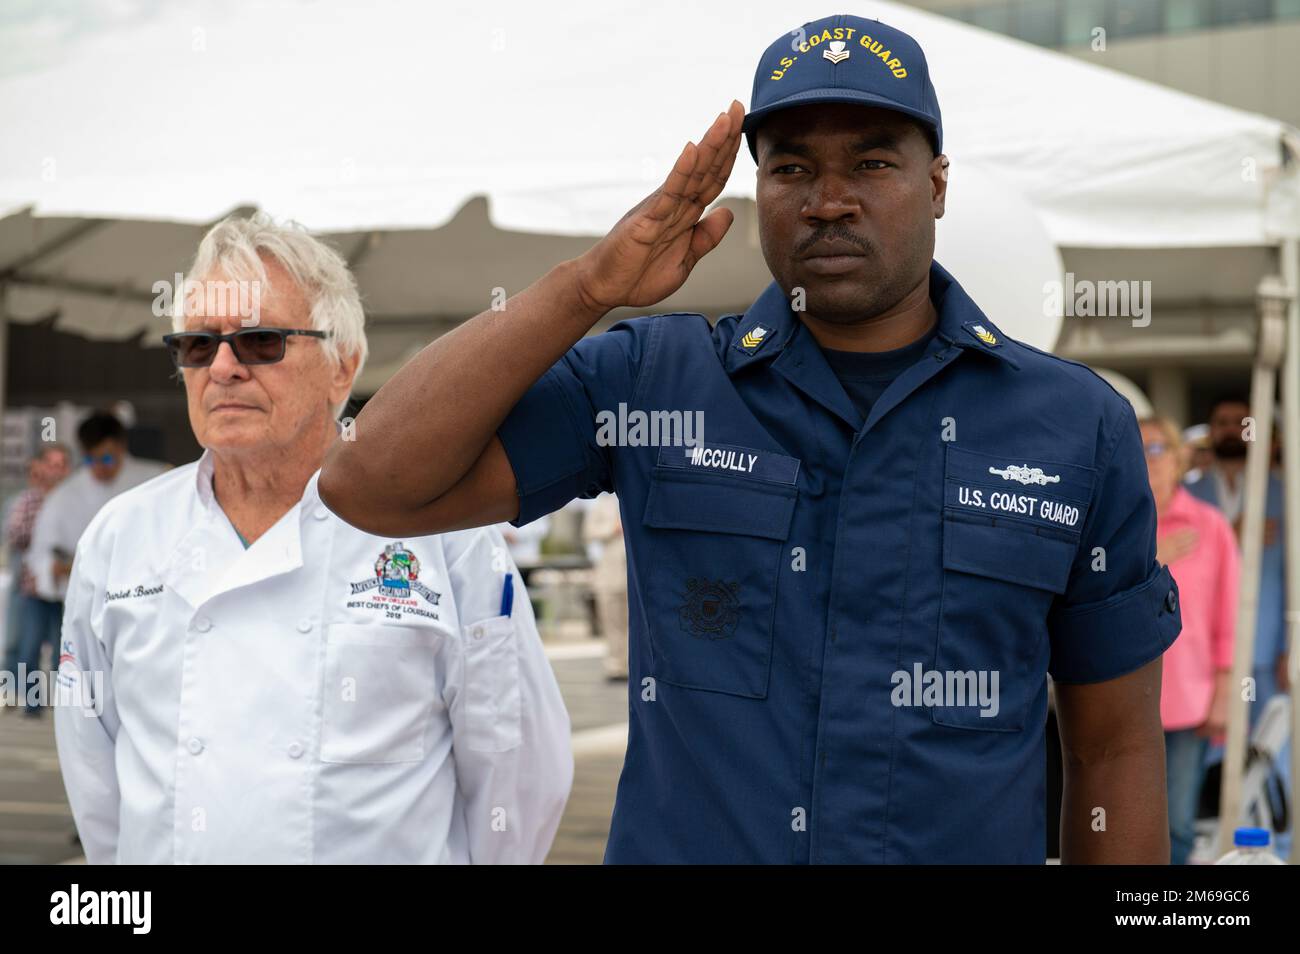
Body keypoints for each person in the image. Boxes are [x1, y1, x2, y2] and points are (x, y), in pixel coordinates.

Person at [320, 15, 1181, 864]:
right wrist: (586, 289)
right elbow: (371, 484)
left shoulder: (1074, 425)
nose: (829, 200)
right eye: (791, 167)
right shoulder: (657, 381)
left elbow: (1114, 750)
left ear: (939, 186)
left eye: (873, 162)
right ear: (757, 188)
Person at [55, 214, 573, 864]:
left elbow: (517, 770)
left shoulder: (444, 534)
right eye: (197, 344)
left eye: (260, 340)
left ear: (342, 367)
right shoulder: (120, 537)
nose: (222, 367)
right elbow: (93, 775)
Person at [1186, 394, 1290, 854]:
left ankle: (1279, 844)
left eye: (1241, 422)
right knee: (1209, 748)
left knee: (1275, 746)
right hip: (1206, 651)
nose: (1231, 430)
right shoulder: (1189, 493)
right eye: (1222, 422)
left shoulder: (1284, 491)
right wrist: (1236, 528)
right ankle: (1206, 839)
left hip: (1268, 648)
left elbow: (1292, 575)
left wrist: (1292, 642)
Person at [1140, 417, 1237, 864]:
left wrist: (1224, 692)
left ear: (1179, 459)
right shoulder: (1112, 526)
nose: (1147, 459)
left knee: (1176, 821)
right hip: (1119, 694)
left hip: (1187, 699)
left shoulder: (1210, 525)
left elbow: (1230, 613)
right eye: (1137, 447)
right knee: (1120, 816)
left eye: (1158, 448)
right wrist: (1152, 560)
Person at [28, 412, 168, 607]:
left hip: (149, 596)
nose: (100, 467)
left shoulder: (158, 480)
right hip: (87, 599)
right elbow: (41, 552)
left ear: (121, 447)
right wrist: (53, 568)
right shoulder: (64, 495)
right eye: (91, 460)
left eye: (107, 459)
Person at [2, 445, 72, 711]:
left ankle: (62, 704)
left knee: (63, 652)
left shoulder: (75, 501)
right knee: (24, 646)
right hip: (33, 587)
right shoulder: (29, 500)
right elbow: (15, 534)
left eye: (61, 464)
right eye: (51, 464)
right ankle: (28, 703)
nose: (55, 470)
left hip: (66, 589)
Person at [583, 493, 628, 680]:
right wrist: (612, 529)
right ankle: (615, 665)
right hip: (609, 573)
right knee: (611, 621)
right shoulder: (602, 503)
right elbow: (588, 532)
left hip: (632, 572)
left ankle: (630, 664)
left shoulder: (637, 497)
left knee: (633, 623)